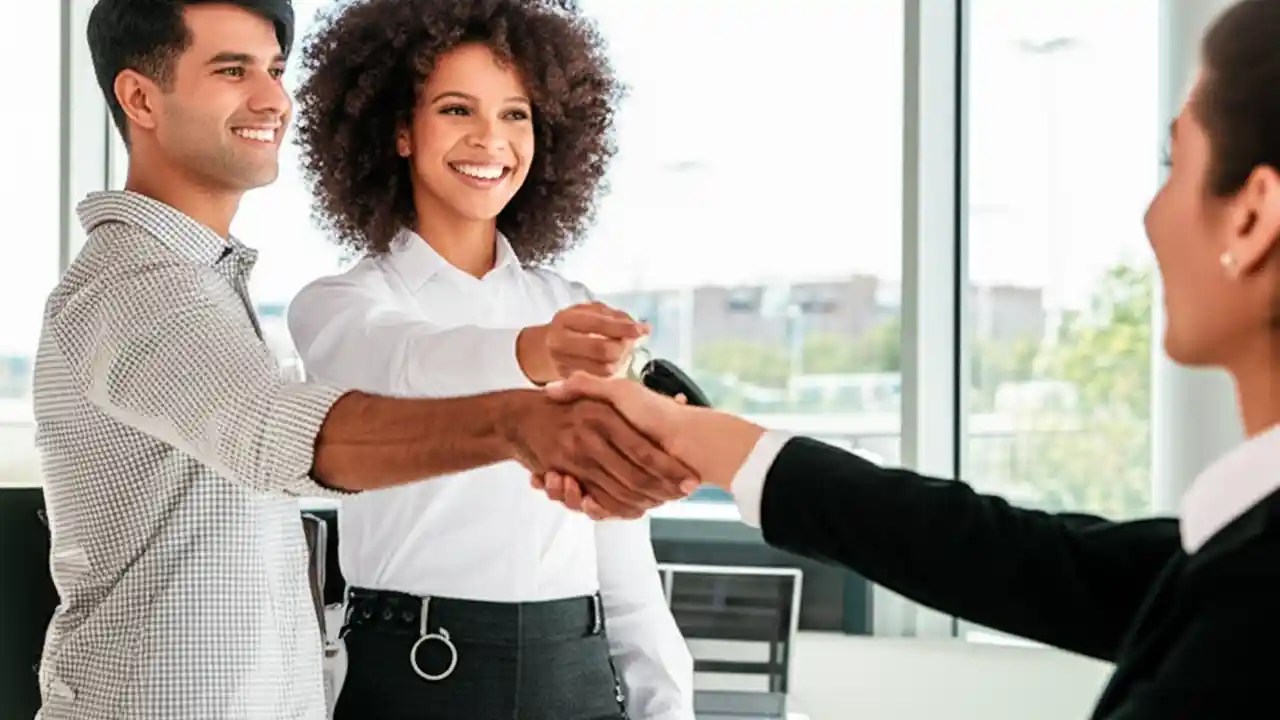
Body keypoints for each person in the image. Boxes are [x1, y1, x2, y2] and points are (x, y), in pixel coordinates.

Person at [536, 1, 1280, 716]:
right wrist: (714, 443)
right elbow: (1022, 559)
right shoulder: (1235, 556)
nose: (1151, 217)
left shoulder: (1253, 602)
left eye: (1172, 162)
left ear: (1252, 218)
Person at [33, 2, 693, 718]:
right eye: (232, 70)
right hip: (392, 671)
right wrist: (523, 411)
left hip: (557, 673)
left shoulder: (206, 286)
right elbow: (297, 427)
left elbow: (625, 565)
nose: (272, 98)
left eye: (276, 70)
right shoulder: (145, 287)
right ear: (139, 98)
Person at [285, 2, 694, 718]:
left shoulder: (570, 304)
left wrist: (667, 703)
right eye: (456, 109)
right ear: (401, 131)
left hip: (575, 676)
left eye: (516, 115)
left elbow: (623, 556)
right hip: (411, 675)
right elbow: (406, 365)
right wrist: (534, 352)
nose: (490, 139)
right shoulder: (339, 306)